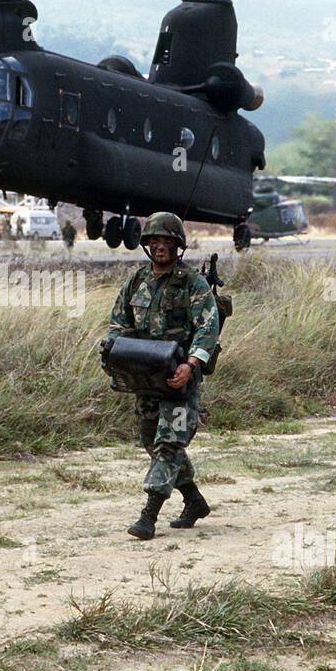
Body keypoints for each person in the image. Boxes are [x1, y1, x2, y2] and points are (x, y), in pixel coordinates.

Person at [105, 212, 219, 539]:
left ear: (178, 245)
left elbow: (207, 327)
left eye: (167, 241)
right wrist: (117, 355)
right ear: (146, 245)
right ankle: (194, 501)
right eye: (154, 241)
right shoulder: (136, 281)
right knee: (150, 440)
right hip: (146, 379)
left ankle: (148, 516)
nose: (160, 247)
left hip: (181, 381)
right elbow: (118, 322)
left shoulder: (192, 284)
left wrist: (191, 365)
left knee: (169, 443)